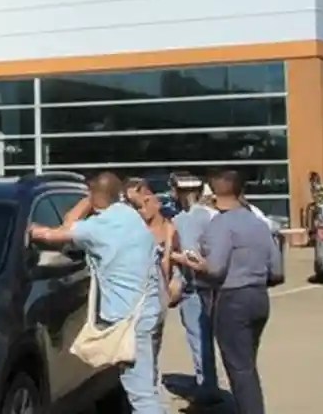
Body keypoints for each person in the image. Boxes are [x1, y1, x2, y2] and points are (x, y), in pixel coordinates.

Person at [29, 172, 165, 414]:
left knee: (142, 396)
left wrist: (31, 228)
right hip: (150, 309)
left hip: (131, 321)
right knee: (145, 384)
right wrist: (94, 196)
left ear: (94, 196)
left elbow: (54, 233)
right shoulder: (129, 215)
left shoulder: (97, 228)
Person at [172, 169, 284, 414]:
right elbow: (277, 271)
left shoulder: (220, 225)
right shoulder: (258, 223)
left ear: (212, 194)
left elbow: (216, 269)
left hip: (232, 300)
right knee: (247, 364)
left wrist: (196, 265)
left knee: (240, 369)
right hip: (258, 298)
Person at [124, 179, 182, 388]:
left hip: (156, 297)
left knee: (150, 349)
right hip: (133, 297)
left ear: (154, 201)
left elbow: (172, 266)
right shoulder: (132, 230)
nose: (139, 210)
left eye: (141, 203)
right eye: (132, 205)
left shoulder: (169, 229)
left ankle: (149, 390)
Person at [169, 172, 219, 403]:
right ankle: (209, 384)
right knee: (207, 337)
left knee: (198, 337)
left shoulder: (183, 219)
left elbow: (189, 253)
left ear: (181, 192)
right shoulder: (211, 215)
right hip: (213, 285)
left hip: (195, 285)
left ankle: (207, 388)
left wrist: (171, 256)